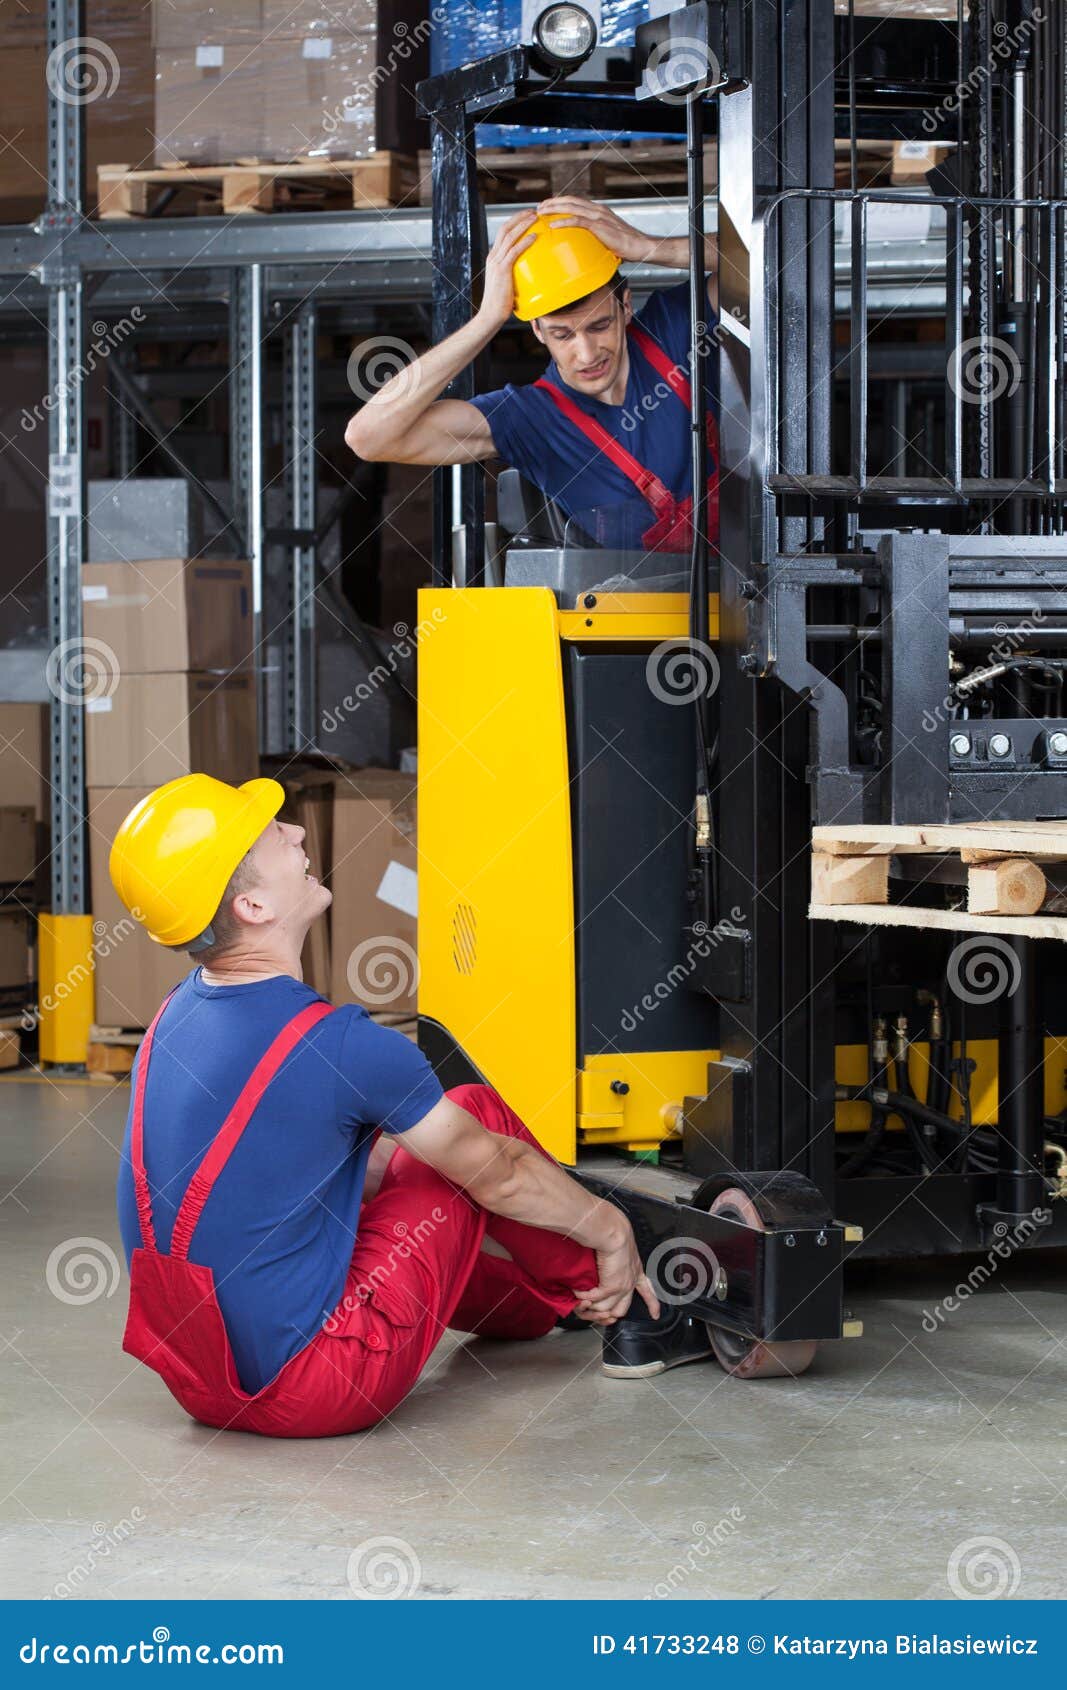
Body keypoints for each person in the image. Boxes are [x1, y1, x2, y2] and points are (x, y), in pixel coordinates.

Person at [110, 774, 713, 1440]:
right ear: (251, 905)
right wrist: (606, 1226)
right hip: (320, 1387)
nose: (298, 832)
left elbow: (294, 1177)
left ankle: (565, 1300)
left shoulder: (172, 1018)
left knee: (417, 1163)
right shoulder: (337, 1043)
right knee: (472, 1122)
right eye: (274, 834)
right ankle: (633, 1310)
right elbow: (500, 1173)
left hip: (204, 1385)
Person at [345, 196, 719, 554]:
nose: (587, 353)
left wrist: (650, 247)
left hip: (752, 599)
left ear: (625, 306)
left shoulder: (673, 329)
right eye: (563, 335)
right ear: (537, 331)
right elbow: (368, 437)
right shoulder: (529, 419)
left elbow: (771, 259)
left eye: (599, 326)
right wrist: (487, 319)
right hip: (638, 616)